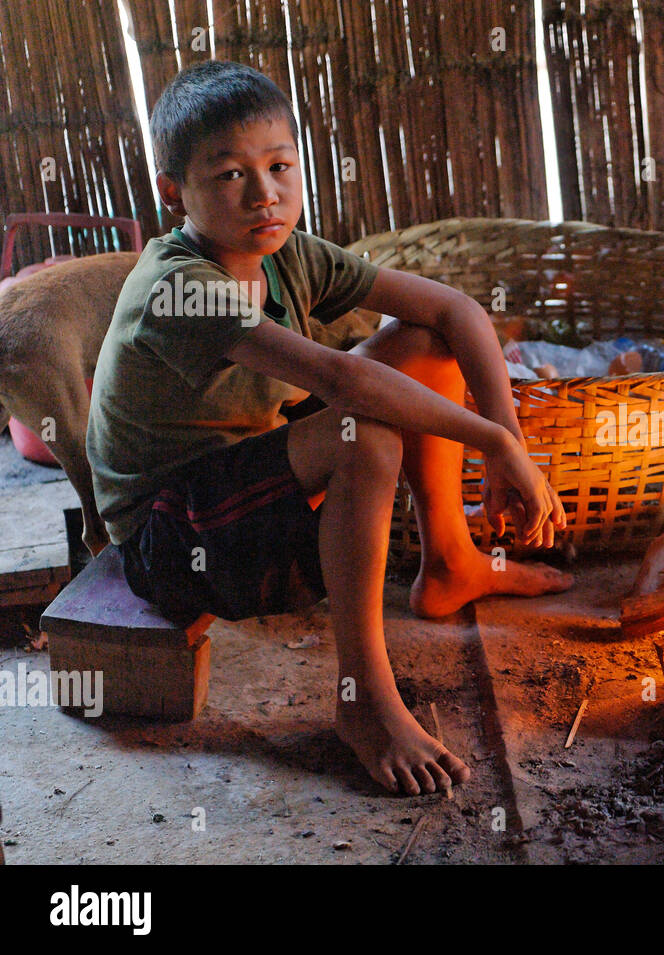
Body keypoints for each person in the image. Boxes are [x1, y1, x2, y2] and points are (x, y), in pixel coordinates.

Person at [87, 60, 573, 796]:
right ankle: (365, 701)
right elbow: (344, 381)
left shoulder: (290, 256)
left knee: (423, 345)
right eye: (228, 175)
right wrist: (494, 443)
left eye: (280, 165)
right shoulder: (180, 287)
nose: (264, 193)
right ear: (172, 192)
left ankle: (449, 559)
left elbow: (455, 310)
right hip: (167, 532)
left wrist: (507, 427)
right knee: (364, 429)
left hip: (244, 474)